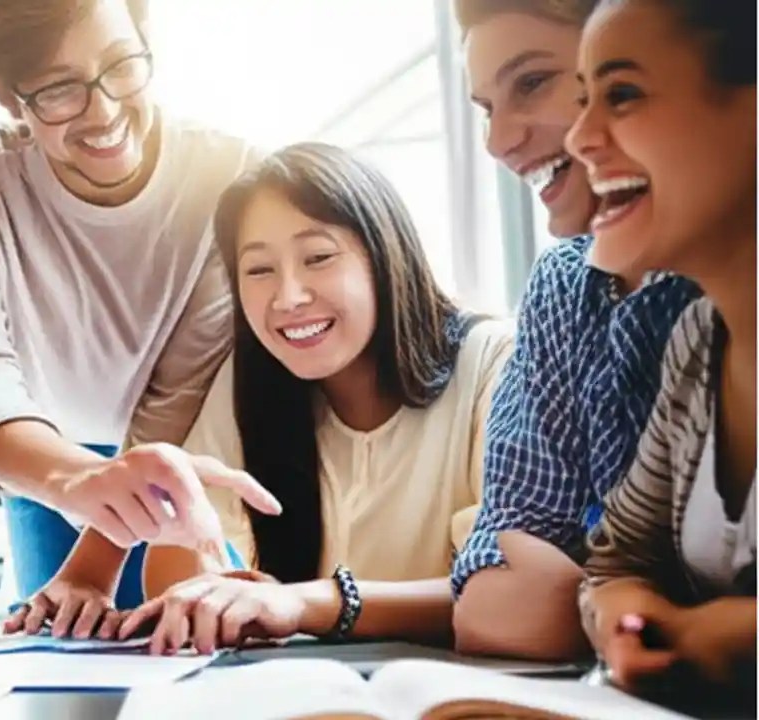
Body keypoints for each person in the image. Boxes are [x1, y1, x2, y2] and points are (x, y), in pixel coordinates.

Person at [114, 143, 512, 653]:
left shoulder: (493, 362)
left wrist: (307, 604)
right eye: (259, 270)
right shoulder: (250, 382)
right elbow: (175, 571)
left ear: (385, 255)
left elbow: (509, 592)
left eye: (319, 258)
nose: (289, 297)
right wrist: (218, 592)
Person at [0, 0, 280, 628]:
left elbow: (176, 396)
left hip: (181, 449)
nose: (102, 111)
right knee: (63, 649)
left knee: (198, 631)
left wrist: (98, 555)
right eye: (58, 89)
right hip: (45, 452)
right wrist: (74, 487)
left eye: (121, 65)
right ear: (5, 94)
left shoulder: (230, 178)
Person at [451, 0, 699, 659]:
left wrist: (600, 601)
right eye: (484, 108)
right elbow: (501, 584)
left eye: (531, 82)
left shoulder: (714, 292)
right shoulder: (567, 284)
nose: (498, 142)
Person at [566, 0, 756, 694]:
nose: (580, 136)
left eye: (623, 94)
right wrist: (622, 614)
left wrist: (730, 638)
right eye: (582, 102)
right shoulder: (697, 342)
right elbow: (615, 562)